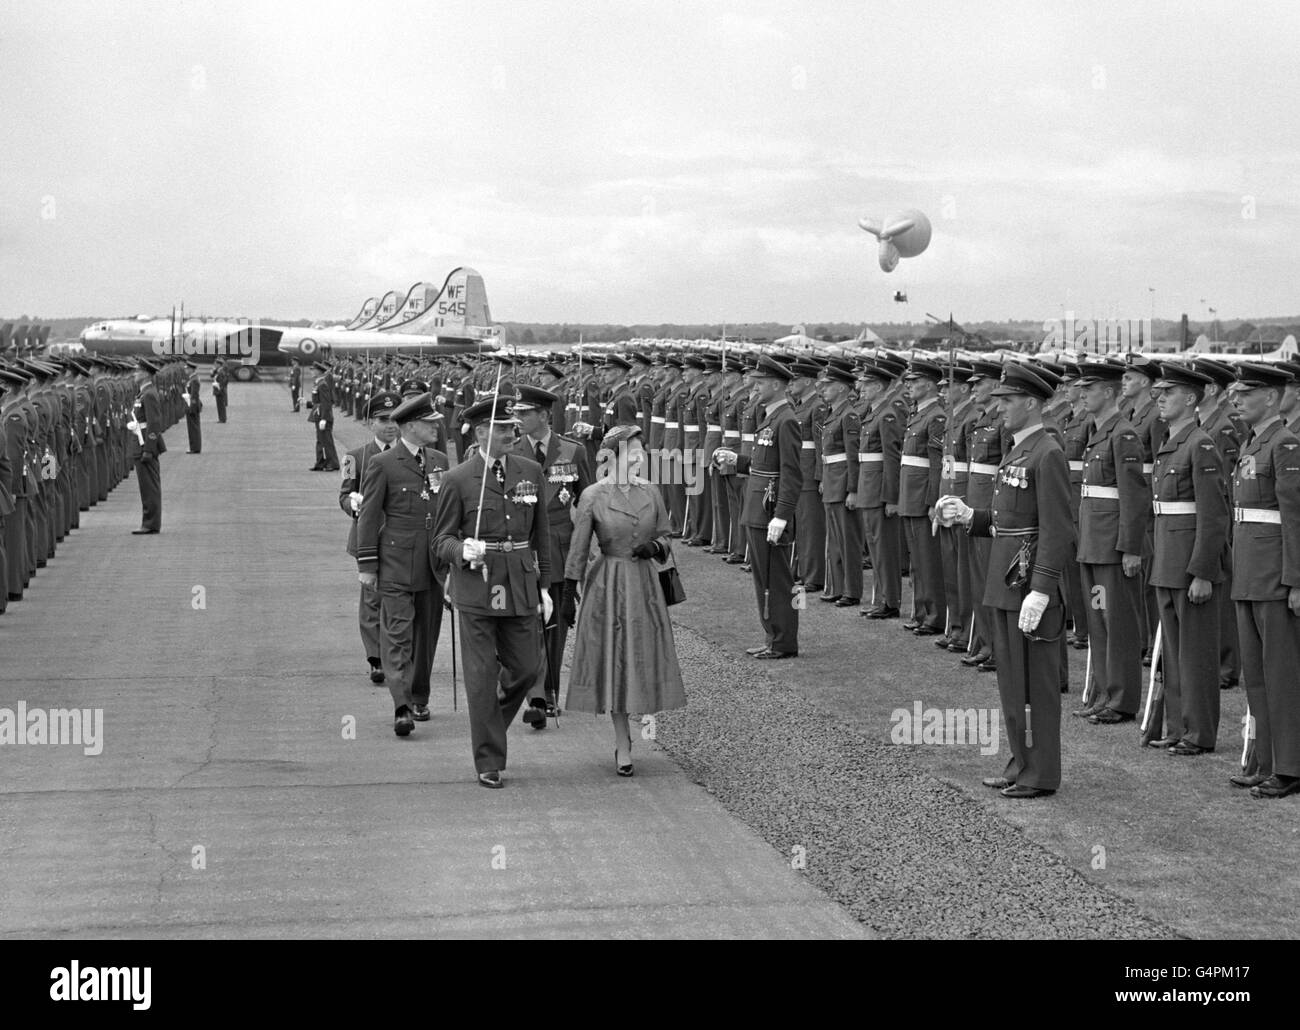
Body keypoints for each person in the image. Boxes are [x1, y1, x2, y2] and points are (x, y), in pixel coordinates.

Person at [936, 363, 1074, 799]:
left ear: (1031, 403)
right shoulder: (1018, 451)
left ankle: (1040, 773)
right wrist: (968, 515)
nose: (1001, 409)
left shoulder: (1046, 452)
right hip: (1004, 578)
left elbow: (1056, 529)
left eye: (1008, 401)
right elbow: (1007, 521)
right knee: (1014, 685)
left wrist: (1042, 588)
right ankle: (1021, 762)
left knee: (1036, 687)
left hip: (1027, 583)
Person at [431, 395, 551, 788]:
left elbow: (542, 536)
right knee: (481, 678)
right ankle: (488, 760)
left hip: (520, 582)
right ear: (482, 433)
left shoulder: (530, 469)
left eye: (512, 427)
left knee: (527, 669)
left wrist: (546, 587)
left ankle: (488, 725)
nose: (510, 434)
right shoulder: (458, 478)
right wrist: (460, 551)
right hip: (477, 586)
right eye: (501, 428)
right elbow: (441, 540)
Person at [562, 425, 685, 774]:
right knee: (615, 658)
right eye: (633, 450)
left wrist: (656, 547)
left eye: (641, 450)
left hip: (644, 585)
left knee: (642, 656)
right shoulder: (593, 495)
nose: (640, 456)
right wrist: (570, 590)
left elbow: (666, 536)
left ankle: (636, 722)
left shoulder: (651, 491)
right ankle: (622, 741)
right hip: (609, 584)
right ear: (614, 454)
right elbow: (579, 548)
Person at [1141, 364, 1228, 754]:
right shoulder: (1171, 441)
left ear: (1191, 399)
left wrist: (1202, 572)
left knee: (1195, 655)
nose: (1160, 398)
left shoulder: (1200, 443)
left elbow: (1213, 515)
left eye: (1169, 392)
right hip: (1168, 562)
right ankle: (1177, 727)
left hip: (1189, 565)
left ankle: (1199, 732)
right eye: (1159, 392)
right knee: (1173, 654)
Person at [355, 392, 450, 736]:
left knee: (427, 634)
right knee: (397, 635)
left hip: (433, 562)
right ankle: (401, 704)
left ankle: (419, 694)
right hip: (395, 560)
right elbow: (368, 517)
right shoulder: (383, 464)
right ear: (411, 426)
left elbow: (449, 509)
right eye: (429, 423)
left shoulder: (439, 460)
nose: (437, 427)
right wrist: (367, 565)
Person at [1226, 363, 1300, 798]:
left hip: (1274, 576)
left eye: (1245, 393)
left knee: (1282, 675)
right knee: (1255, 676)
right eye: (1234, 393)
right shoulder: (1254, 442)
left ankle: (1290, 766)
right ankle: (1266, 760)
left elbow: (1293, 519)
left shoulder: (1285, 444)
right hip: (1250, 574)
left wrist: (1296, 581)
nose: (1236, 399)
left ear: (1270, 398)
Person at [511, 384, 592, 728]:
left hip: (559, 550)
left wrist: (590, 556)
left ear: (543, 415)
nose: (517, 419)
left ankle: (552, 692)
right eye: (516, 413)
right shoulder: (511, 451)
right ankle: (535, 696)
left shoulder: (573, 452)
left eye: (524, 413)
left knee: (554, 628)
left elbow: (587, 503)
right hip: (522, 551)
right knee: (525, 625)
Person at [1073, 360, 1148, 724]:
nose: (1082, 394)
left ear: (1108, 392)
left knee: (1116, 625)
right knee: (1099, 622)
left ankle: (1122, 699)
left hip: (1112, 548)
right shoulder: (1098, 430)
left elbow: (1134, 497)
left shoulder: (1123, 434)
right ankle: (1104, 693)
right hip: (1093, 543)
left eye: (1089, 389)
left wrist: (1131, 548)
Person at [712, 355, 803, 659]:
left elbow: (791, 473)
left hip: (769, 510)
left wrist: (782, 516)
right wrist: (735, 460)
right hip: (757, 507)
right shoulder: (770, 417)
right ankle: (772, 635)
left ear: (777, 384)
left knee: (779, 580)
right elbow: (763, 464)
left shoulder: (786, 419)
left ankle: (784, 640)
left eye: (761, 382)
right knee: (763, 580)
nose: (755, 386)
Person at [341, 390, 401, 686]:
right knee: (372, 597)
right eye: (382, 419)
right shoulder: (354, 457)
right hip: (369, 536)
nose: (390, 425)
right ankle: (376, 658)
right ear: (370, 422)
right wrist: (351, 502)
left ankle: (397, 655)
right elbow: (343, 494)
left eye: (394, 419)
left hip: (402, 537)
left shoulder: (409, 454)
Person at [127, 358, 165, 534]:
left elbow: (154, 423)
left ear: (146, 374)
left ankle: (150, 523)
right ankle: (149, 521)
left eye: (137, 371)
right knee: (146, 487)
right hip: (140, 443)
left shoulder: (149, 394)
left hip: (145, 446)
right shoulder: (143, 393)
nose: (135, 373)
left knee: (149, 487)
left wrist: (149, 449)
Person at [183, 362, 202, 454]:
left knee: (194, 428)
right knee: (192, 428)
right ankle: (194, 447)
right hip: (190, 404)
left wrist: (192, 407)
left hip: (192, 405)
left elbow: (194, 395)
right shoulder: (192, 378)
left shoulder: (194, 379)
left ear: (191, 369)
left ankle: (195, 448)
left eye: (187, 368)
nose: (186, 370)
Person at [212, 357, 229, 423]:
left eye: (215, 364)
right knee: (220, 405)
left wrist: (219, 389)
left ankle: (222, 419)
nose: (214, 365)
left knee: (221, 406)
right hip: (218, 390)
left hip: (220, 391)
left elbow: (223, 382)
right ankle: (221, 418)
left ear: (219, 364)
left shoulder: (221, 371)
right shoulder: (219, 370)